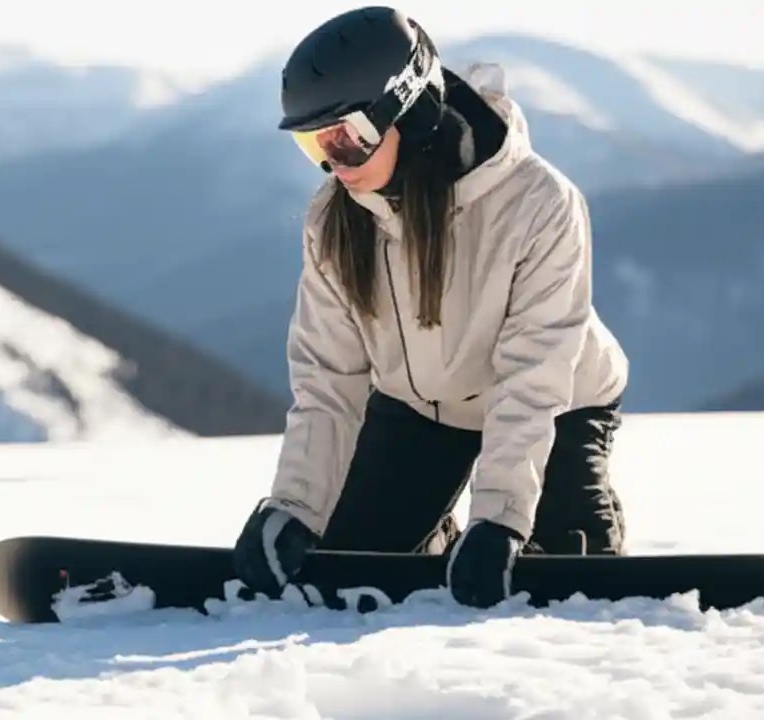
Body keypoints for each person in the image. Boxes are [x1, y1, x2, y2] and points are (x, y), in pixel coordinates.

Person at [232, 6, 630, 609]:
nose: (334, 163)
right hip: (421, 406)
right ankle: (435, 537)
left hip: (557, 404)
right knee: (348, 569)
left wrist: (500, 519)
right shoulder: (333, 221)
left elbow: (533, 376)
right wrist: (296, 505)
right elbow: (329, 380)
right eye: (316, 144)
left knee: (559, 582)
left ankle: (569, 539)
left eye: (348, 138)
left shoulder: (538, 204)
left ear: (409, 110)